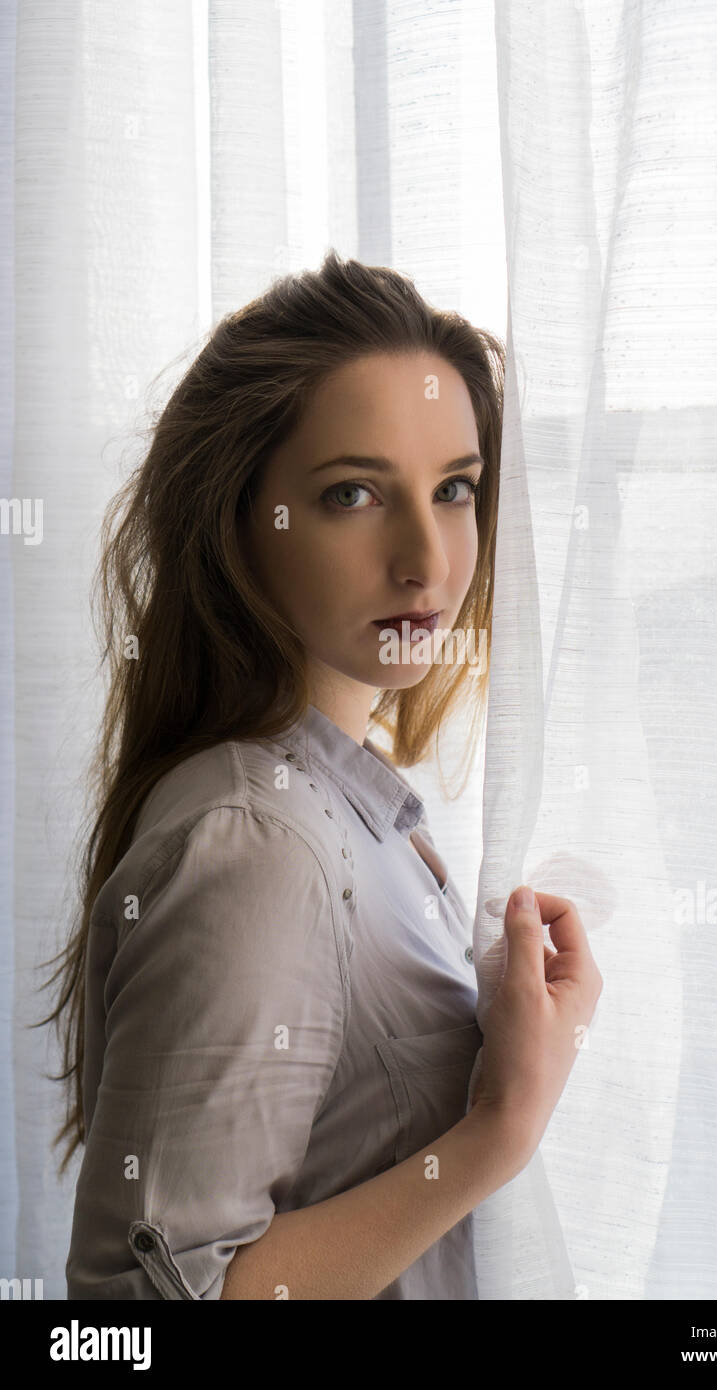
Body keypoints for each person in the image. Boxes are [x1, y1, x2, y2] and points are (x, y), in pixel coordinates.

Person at [36, 250, 603, 1300]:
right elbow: (138, 1313)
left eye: (455, 489)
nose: (427, 559)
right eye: (352, 493)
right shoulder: (262, 844)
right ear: (238, 519)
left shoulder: (349, 809)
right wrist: (498, 1127)